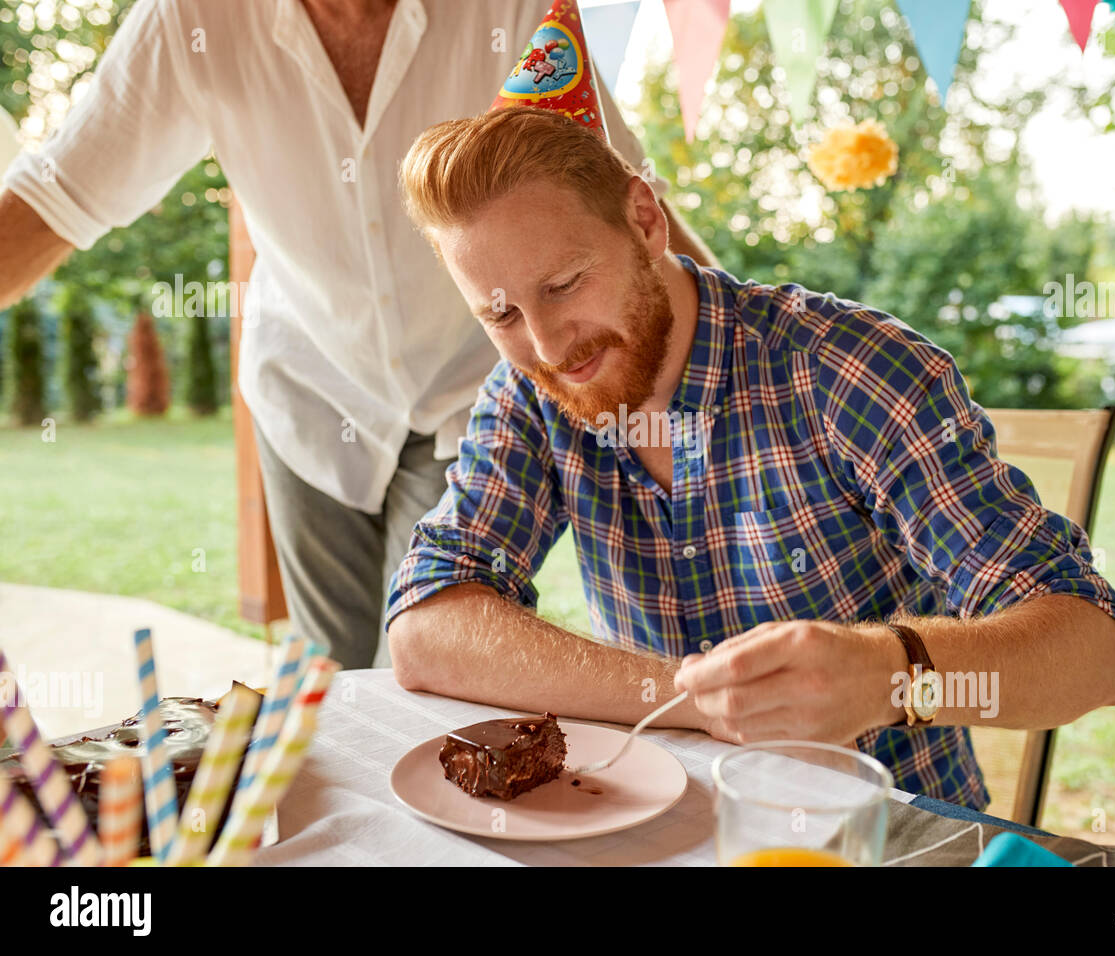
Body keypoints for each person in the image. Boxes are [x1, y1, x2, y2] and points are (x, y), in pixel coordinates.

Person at [385, 106, 1115, 809]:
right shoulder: (532, 392)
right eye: (502, 314)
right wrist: (687, 694)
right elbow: (424, 629)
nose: (548, 346)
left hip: (885, 838)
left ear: (645, 221)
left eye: (564, 283)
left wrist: (897, 679)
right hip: (662, 828)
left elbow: (1098, 659)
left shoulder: (851, 373)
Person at [0, 0, 715, 669]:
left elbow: (618, 190)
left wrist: (743, 338)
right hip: (310, 392)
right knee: (325, 678)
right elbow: (56, 193)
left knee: (430, 656)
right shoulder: (194, 19)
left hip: (463, 396)